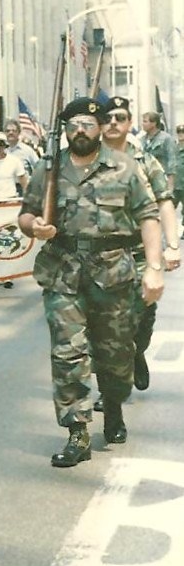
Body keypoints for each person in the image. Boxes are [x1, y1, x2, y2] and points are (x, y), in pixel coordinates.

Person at [18, 97, 164, 467]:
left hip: (113, 274)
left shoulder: (125, 167)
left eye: (87, 123)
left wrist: (154, 267)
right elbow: (25, 214)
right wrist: (35, 226)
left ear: (99, 128)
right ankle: (77, 431)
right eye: (72, 124)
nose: (79, 130)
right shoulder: (49, 169)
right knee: (68, 352)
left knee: (115, 355)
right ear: (64, 130)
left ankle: (113, 406)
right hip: (63, 270)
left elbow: (149, 216)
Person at [99, 97, 180, 401]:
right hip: (102, 256)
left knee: (140, 320)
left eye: (120, 118)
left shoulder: (145, 161)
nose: (113, 123)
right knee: (104, 327)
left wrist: (172, 246)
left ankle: (137, 352)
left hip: (139, 254)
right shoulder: (88, 160)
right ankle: (109, 387)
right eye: (107, 118)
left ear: (130, 123)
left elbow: (164, 201)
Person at [141, 111, 177, 196]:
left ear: (153, 123)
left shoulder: (166, 138)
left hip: (162, 181)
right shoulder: (142, 140)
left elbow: (172, 162)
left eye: (145, 121)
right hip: (146, 182)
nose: (142, 124)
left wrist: (170, 187)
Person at [0, 133, 27, 199]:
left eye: (1, 144)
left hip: (11, 200)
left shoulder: (14, 160)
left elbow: (23, 181)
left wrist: (27, 198)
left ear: (5, 145)